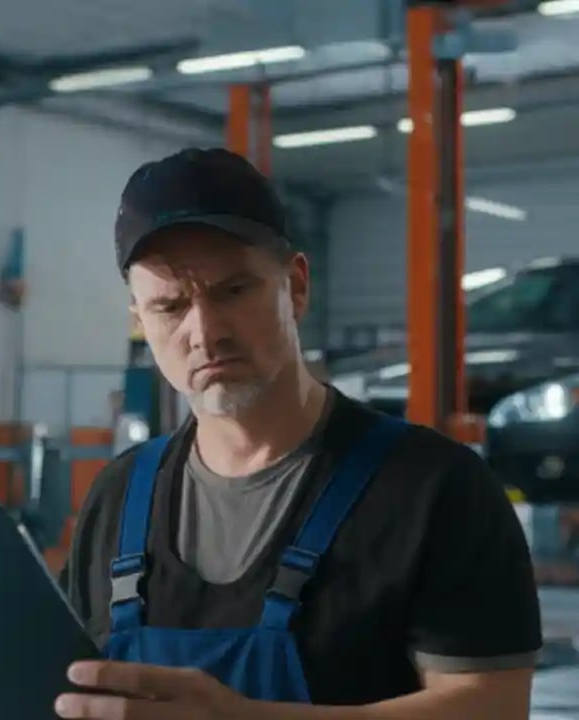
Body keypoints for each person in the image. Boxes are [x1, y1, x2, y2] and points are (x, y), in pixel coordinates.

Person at [54, 148, 542, 720]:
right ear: (139, 318)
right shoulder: (118, 495)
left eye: (233, 291)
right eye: (170, 306)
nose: (205, 333)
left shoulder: (434, 489)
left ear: (296, 285)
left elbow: (493, 708)